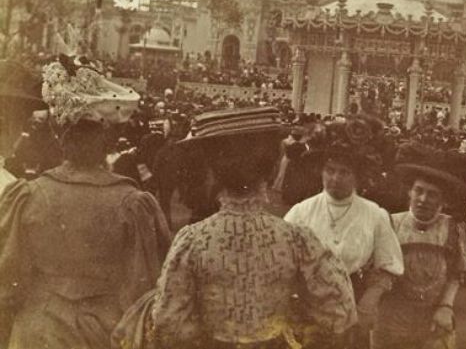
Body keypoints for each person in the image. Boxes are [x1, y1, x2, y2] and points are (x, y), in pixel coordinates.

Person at [150, 111, 357, 349]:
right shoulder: (295, 239)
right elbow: (339, 311)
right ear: (271, 170)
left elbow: (169, 322)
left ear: (214, 171)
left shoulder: (192, 240)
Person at [0, 58, 170, 349]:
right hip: (101, 330)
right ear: (108, 142)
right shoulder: (132, 204)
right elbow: (145, 288)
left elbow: (8, 278)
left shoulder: (27, 195)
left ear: (61, 139)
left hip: (37, 330)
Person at [284, 132, 404, 344]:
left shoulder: (374, 214)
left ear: (357, 177)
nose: (335, 178)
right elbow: (281, 260)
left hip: (354, 304)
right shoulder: (301, 211)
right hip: (308, 305)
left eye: (344, 172)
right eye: (330, 170)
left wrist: (368, 303)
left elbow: (389, 265)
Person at [373, 147, 466, 349]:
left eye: (432, 194)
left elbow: (456, 274)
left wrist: (446, 306)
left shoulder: (454, 229)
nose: (423, 199)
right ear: (409, 191)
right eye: (419, 191)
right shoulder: (390, 223)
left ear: (444, 199)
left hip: (433, 319)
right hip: (391, 318)